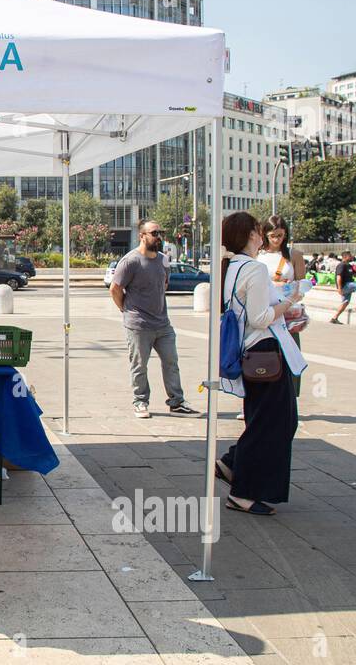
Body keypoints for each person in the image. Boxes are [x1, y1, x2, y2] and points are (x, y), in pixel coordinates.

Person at [217, 211, 308, 516]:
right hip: (264, 351)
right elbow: (260, 318)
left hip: (251, 352)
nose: (262, 236)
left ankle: (233, 465)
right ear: (251, 236)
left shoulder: (231, 267)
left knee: (263, 420)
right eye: (258, 231)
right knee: (274, 423)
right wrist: (288, 303)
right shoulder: (253, 269)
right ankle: (244, 491)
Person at [109, 220, 199, 419]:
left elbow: (163, 285)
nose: (158, 236)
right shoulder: (130, 261)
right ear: (142, 236)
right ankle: (140, 401)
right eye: (154, 233)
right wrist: (126, 309)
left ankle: (177, 401)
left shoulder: (163, 260)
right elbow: (115, 289)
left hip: (162, 324)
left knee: (171, 362)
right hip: (139, 325)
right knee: (139, 365)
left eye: (160, 232)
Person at [259, 214, 310, 395]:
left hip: (287, 312)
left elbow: (303, 284)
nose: (276, 240)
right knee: (261, 355)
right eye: (272, 236)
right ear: (265, 234)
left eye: (280, 235)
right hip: (263, 310)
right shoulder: (258, 255)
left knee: (289, 354)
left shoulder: (294, 255)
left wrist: (292, 290)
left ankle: (290, 396)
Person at [329, 251, 356, 323]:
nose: (351, 257)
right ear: (345, 257)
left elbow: (355, 275)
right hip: (344, 286)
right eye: (350, 256)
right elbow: (338, 277)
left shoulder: (349, 265)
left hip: (348, 286)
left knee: (345, 302)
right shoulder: (341, 265)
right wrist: (339, 288)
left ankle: (334, 318)